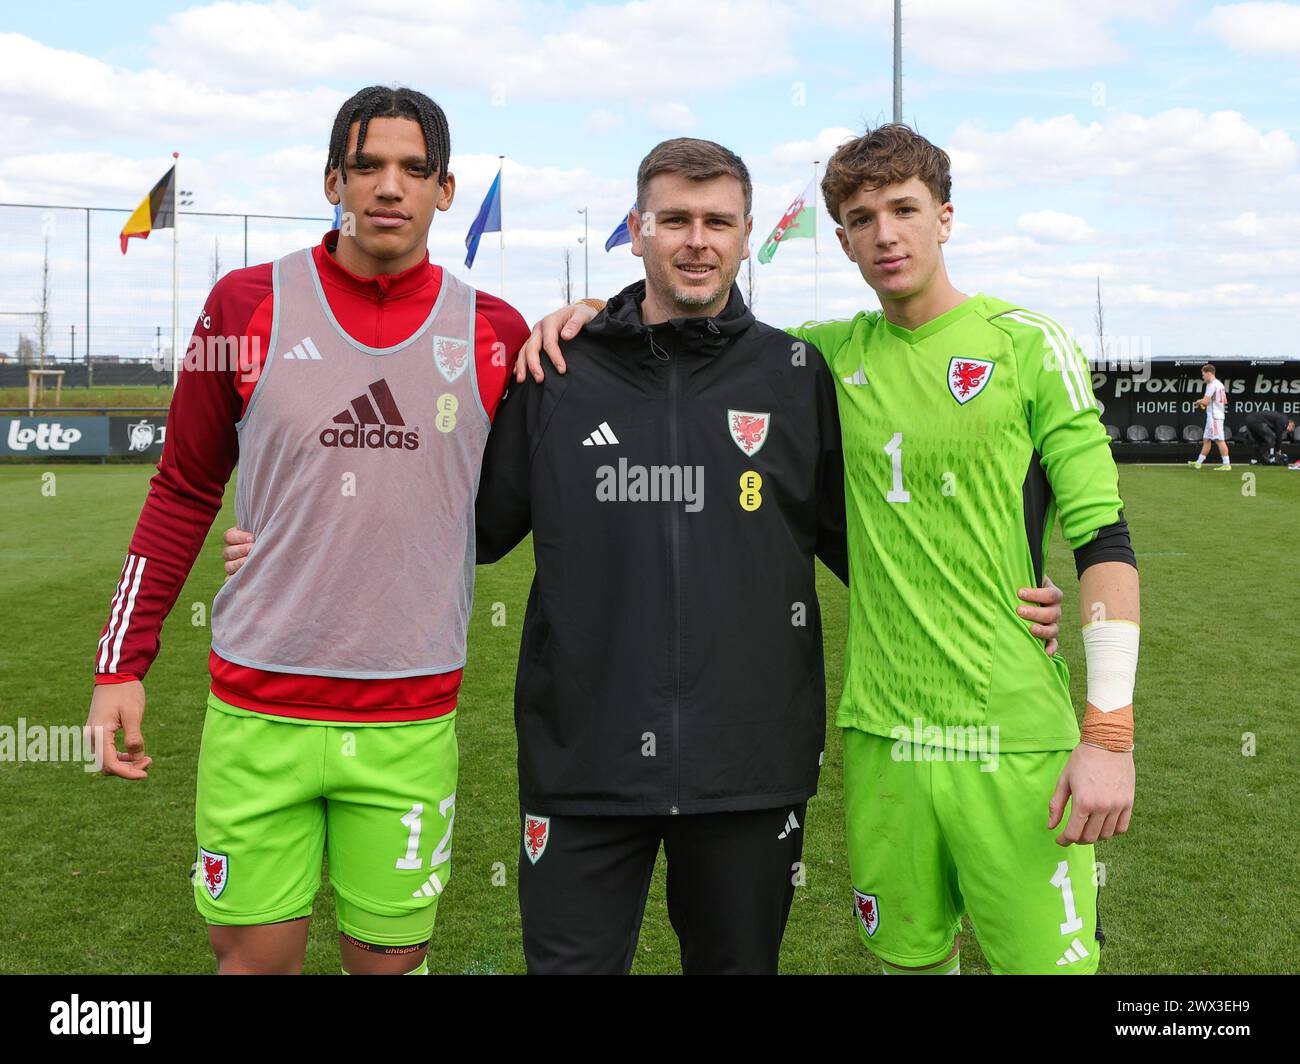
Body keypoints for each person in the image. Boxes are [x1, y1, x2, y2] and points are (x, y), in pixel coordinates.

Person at [224, 138, 1064, 974]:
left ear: (743, 238)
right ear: (636, 228)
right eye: (674, 220)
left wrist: (1011, 591)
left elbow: (882, 541)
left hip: (750, 769)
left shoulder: (797, 375)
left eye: (717, 222)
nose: (696, 240)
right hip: (581, 763)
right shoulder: (556, 369)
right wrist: (290, 542)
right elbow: (461, 527)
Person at [523, 124, 1139, 975]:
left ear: (945, 217)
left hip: (1014, 737)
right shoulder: (816, 358)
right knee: (908, 963)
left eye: (904, 209)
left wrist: (1108, 731)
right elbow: (691, 339)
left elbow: (1104, 535)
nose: (885, 234)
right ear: (841, 238)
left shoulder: (1028, 345)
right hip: (881, 735)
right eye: (860, 217)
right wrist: (598, 315)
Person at [86, 86, 529, 975]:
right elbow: (181, 489)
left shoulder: (497, 333)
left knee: (388, 969)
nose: (389, 187)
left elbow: (510, 512)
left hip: (409, 720)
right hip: (259, 711)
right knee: (251, 964)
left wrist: (594, 321)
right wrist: (119, 665)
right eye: (367, 166)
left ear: (447, 190)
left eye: (414, 168)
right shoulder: (244, 304)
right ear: (333, 178)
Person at [1188, 363, 1232, 469]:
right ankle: (1198, 463)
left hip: (1215, 417)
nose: (1202, 376)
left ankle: (1226, 464)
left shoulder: (1212, 385)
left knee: (1219, 440)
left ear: (1209, 373)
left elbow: (1205, 401)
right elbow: (1222, 401)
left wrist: (1198, 402)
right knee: (1206, 440)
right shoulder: (1219, 384)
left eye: (1203, 374)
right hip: (1214, 416)